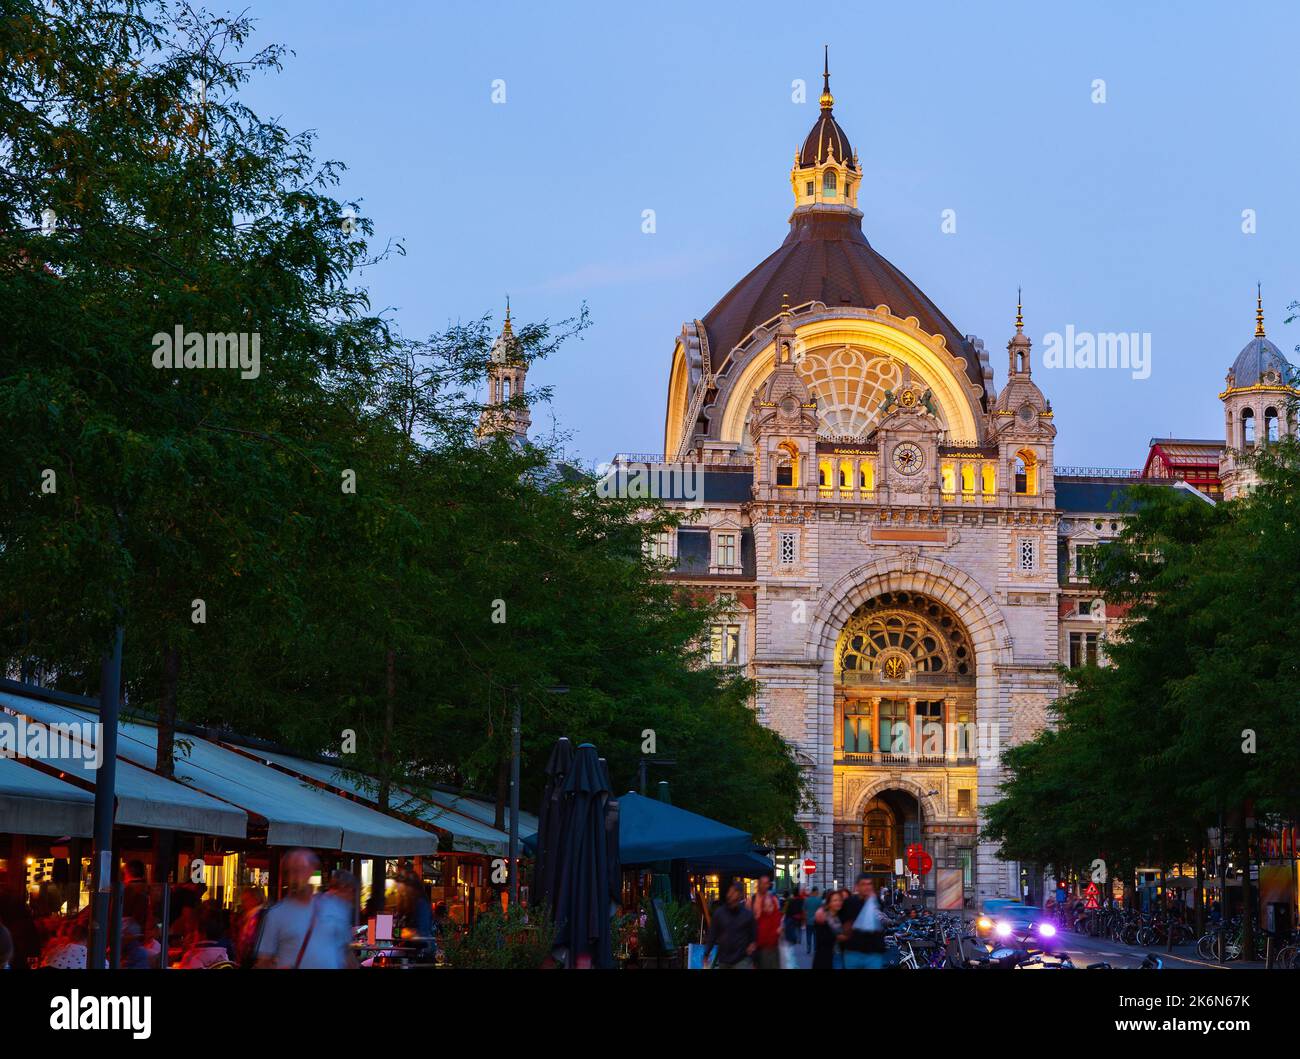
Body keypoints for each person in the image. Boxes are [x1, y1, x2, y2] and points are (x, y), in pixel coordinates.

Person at [255, 849, 350, 969]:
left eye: (301, 870)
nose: (296, 876)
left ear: (312, 871)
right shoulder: (276, 915)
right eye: (291, 871)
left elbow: (346, 953)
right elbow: (264, 961)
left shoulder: (335, 907)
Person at [703, 881, 755, 969]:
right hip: (725, 959)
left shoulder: (747, 915)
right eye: (731, 895)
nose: (733, 898)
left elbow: (754, 935)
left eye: (736, 897)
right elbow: (712, 935)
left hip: (741, 959)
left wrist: (753, 946)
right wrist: (706, 953)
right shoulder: (719, 914)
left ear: (740, 898)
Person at [839, 875, 885, 969]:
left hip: (873, 952)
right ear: (857, 887)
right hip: (853, 951)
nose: (867, 887)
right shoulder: (849, 902)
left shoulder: (876, 901)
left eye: (869, 884)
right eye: (863, 884)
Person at [747, 872, 781, 969]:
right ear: (758, 884)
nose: (766, 885)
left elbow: (778, 919)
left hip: (771, 945)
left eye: (767, 883)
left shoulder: (773, 899)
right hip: (755, 943)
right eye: (763, 883)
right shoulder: (751, 900)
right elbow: (746, 922)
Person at [233, 887, 266, 969]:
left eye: (245, 900)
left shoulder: (255, 918)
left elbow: (247, 942)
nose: (243, 904)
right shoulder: (263, 915)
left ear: (255, 899)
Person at [812, 889, 844, 970]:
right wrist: (839, 937)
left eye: (840, 900)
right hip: (826, 957)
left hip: (840, 955)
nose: (838, 903)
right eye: (835, 900)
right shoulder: (822, 917)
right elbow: (822, 939)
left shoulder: (841, 916)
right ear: (829, 903)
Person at [780, 888, 805, 968]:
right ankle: (799, 938)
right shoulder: (801, 900)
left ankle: (796, 938)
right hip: (799, 917)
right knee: (798, 928)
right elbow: (803, 909)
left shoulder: (791, 901)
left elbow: (786, 911)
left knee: (794, 929)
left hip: (792, 918)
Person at [803, 887, 822, 954]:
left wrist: (805, 920)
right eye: (817, 892)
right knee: (816, 936)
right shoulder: (819, 900)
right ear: (815, 892)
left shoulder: (807, 900)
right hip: (816, 921)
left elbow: (804, 911)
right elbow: (821, 911)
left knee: (808, 935)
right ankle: (815, 949)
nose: (818, 893)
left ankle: (808, 947)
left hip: (808, 921)